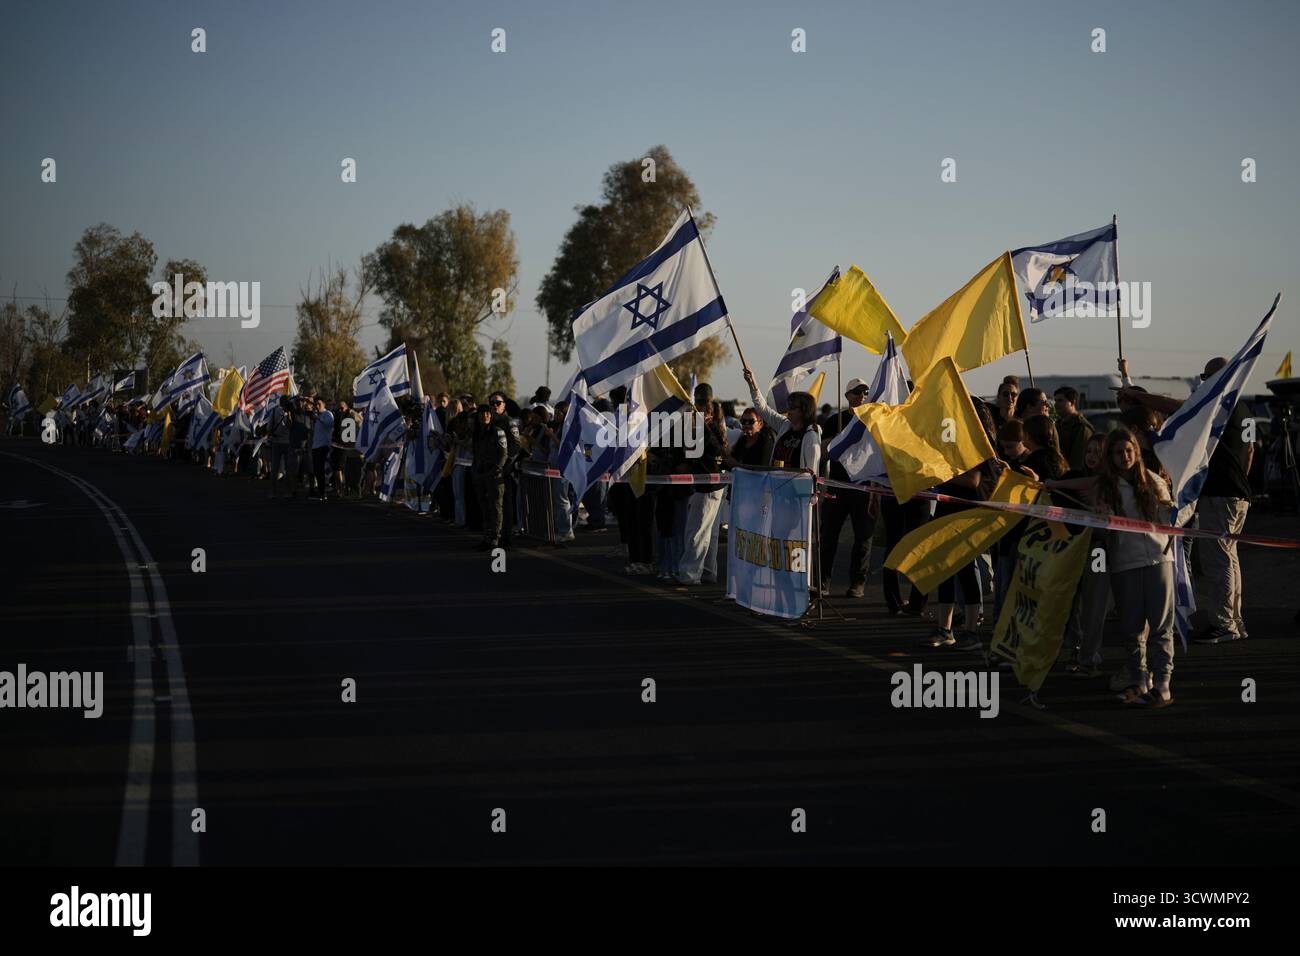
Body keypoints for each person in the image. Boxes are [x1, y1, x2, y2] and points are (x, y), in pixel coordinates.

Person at [1120, 359, 1255, 644]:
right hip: (1237, 492)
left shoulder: (1219, 402)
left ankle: (1224, 624)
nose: (1203, 383)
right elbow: (1251, 449)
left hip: (1222, 493)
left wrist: (1139, 396)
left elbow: (1179, 407)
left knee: (1218, 560)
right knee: (1229, 557)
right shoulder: (1241, 407)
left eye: (1206, 377)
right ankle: (1234, 620)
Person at [1094, 426, 1176, 707]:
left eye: (1129, 450)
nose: (1125, 456)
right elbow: (1101, 534)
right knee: (1131, 628)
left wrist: (1173, 507)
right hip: (1124, 563)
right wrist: (1103, 520)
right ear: (1111, 456)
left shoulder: (1153, 481)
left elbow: (1172, 522)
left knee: (1161, 625)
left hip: (1157, 559)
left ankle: (1163, 684)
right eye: (1118, 452)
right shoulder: (1105, 488)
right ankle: (1140, 681)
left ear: (1136, 452)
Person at [819, 377, 876, 598]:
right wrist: (841, 438)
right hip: (837, 486)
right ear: (846, 396)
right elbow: (823, 452)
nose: (860, 397)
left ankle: (857, 583)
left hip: (864, 488)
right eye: (855, 392)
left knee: (863, 538)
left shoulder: (874, 421)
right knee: (828, 536)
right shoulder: (836, 420)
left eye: (864, 393)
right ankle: (822, 582)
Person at [676, 399, 728, 585]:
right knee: (710, 533)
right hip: (715, 485)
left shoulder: (705, 431)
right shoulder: (714, 429)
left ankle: (690, 574)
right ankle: (707, 571)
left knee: (696, 531)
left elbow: (691, 457)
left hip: (707, 486)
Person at [741, 368, 821, 473]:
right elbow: (763, 409)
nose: (789, 410)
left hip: (796, 488)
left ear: (803, 410)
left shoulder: (810, 436)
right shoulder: (785, 425)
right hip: (777, 485)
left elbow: (812, 472)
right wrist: (752, 383)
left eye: (793, 407)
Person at [471, 403, 509, 550]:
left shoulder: (497, 431)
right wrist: (475, 470)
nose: (485, 416)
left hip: (494, 475)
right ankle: (486, 537)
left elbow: (503, 454)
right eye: (482, 414)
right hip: (480, 474)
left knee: (495, 508)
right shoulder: (477, 432)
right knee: (484, 508)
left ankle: (495, 539)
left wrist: (496, 470)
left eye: (487, 413)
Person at [1053, 386, 1095, 470]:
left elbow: (1078, 459)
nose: (1056, 404)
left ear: (1072, 403)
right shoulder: (1058, 424)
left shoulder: (1081, 427)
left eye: (1060, 401)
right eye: (1055, 401)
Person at [267, 395, 295, 499]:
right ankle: (287, 492)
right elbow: (292, 427)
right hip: (287, 442)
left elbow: (269, 427)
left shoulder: (274, 412)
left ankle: (273, 492)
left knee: (274, 468)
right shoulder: (291, 412)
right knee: (288, 468)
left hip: (276, 442)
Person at [310, 397, 334, 500]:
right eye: (315, 404)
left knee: (321, 470)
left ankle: (323, 493)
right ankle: (320, 492)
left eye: (319, 404)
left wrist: (318, 418)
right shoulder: (316, 417)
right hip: (315, 446)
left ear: (323, 404)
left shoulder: (327, 414)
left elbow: (330, 424)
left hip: (323, 446)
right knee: (316, 470)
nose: (316, 406)